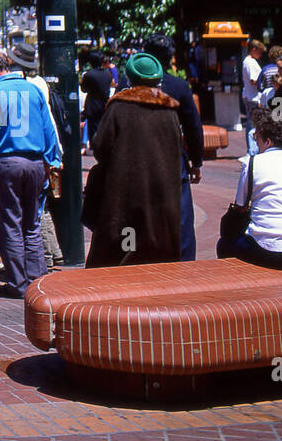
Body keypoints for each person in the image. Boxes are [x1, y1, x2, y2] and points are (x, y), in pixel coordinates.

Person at [81, 52, 184, 267]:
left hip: (123, 198)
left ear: (129, 77)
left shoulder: (119, 107)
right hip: (161, 199)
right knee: (155, 256)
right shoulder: (170, 111)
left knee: (123, 250)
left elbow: (101, 148)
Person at [0, 49, 61, 298]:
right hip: (35, 163)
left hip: (7, 164)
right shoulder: (33, 90)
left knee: (10, 223)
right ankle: (37, 280)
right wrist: (51, 161)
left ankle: (17, 283)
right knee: (32, 223)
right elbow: (48, 128)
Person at [217, 104, 282, 269]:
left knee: (224, 244)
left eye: (256, 137)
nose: (255, 141)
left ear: (267, 141)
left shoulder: (253, 162)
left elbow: (240, 208)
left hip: (269, 251)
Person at [144, 33, 203, 261]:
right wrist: (196, 162)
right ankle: (184, 261)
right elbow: (193, 127)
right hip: (171, 158)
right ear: (169, 59)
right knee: (182, 216)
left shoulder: (125, 86)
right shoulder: (178, 86)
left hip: (136, 159)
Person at [79, 49, 114, 155]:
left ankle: (96, 151)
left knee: (93, 131)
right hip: (104, 105)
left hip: (92, 106)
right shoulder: (108, 74)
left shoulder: (88, 75)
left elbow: (84, 89)